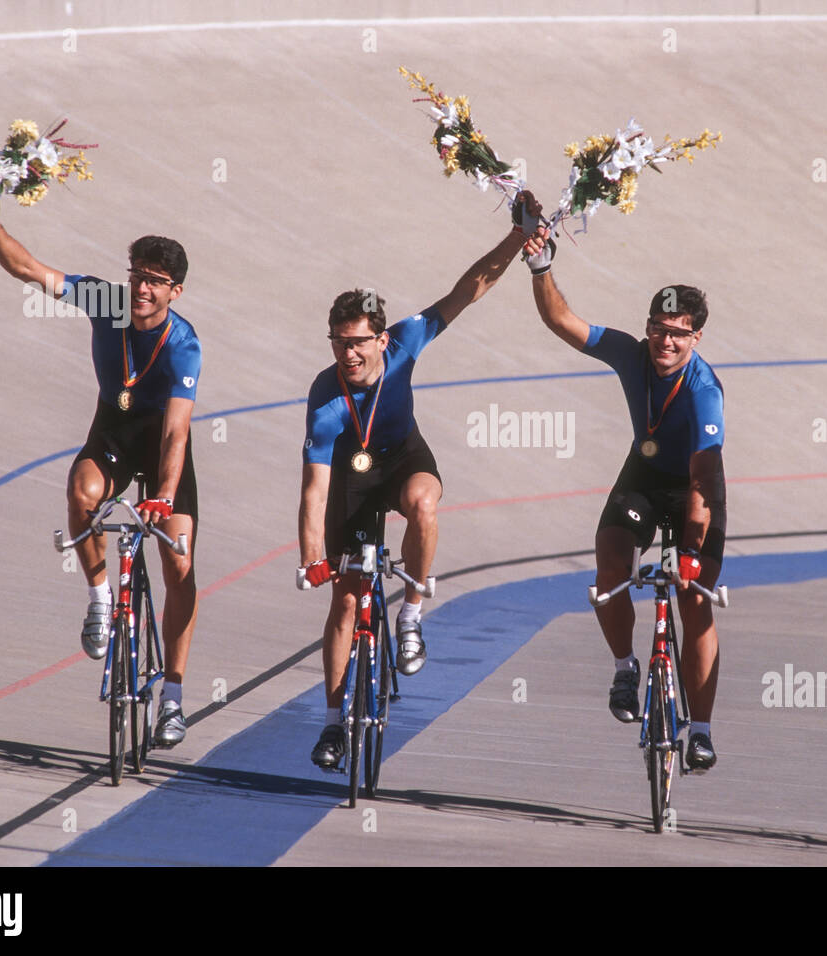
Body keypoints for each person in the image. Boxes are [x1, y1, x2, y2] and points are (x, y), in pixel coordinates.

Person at [0, 183, 201, 748]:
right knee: (81, 492)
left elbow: (175, 432)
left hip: (161, 443)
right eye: (137, 274)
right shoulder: (106, 301)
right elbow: (29, 270)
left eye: (155, 281)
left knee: (180, 562)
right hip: (115, 431)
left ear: (176, 291)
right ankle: (100, 599)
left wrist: (163, 498)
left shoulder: (183, 345)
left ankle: (172, 697)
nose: (142, 288)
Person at [299, 208, 534, 770]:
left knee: (425, 503)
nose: (347, 355)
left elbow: (468, 288)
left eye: (357, 343)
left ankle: (412, 613)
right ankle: (333, 725)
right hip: (351, 479)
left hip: (403, 457)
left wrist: (518, 235)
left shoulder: (407, 341)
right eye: (338, 344)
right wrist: (312, 557)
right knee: (347, 598)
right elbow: (313, 488)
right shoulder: (325, 399)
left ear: (382, 338)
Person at [521, 220, 727, 771]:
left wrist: (690, 549)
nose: (665, 341)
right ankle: (625, 666)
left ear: (696, 338)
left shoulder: (705, 393)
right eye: (658, 328)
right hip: (644, 474)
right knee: (610, 561)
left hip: (694, 489)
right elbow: (561, 320)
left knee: (694, 600)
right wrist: (542, 267)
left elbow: (705, 477)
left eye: (678, 333)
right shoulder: (631, 354)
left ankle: (701, 730)